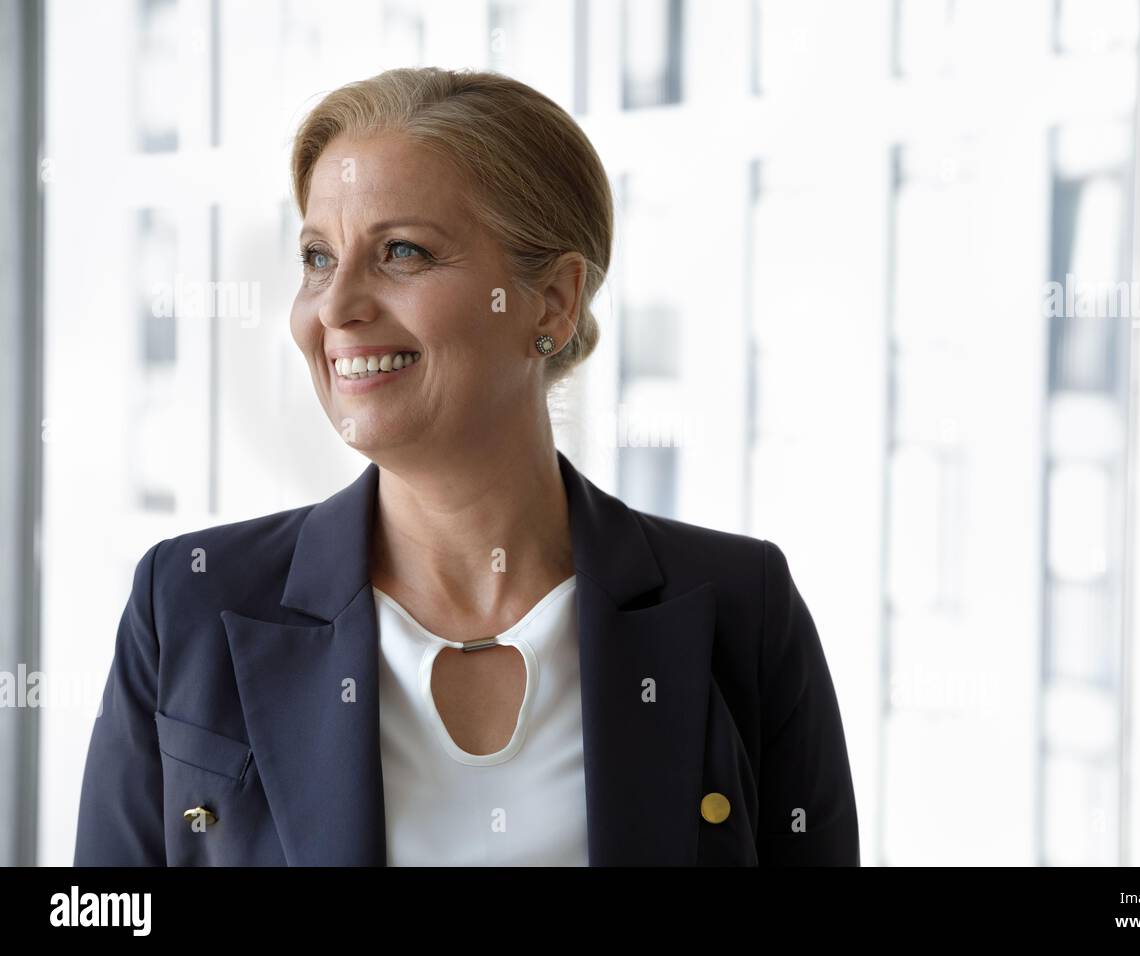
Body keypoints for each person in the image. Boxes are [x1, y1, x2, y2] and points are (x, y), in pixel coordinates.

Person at [73, 66, 858, 866]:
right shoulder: (189, 603)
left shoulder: (740, 607)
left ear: (550, 303)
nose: (335, 305)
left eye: (402, 252)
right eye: (317, 257)